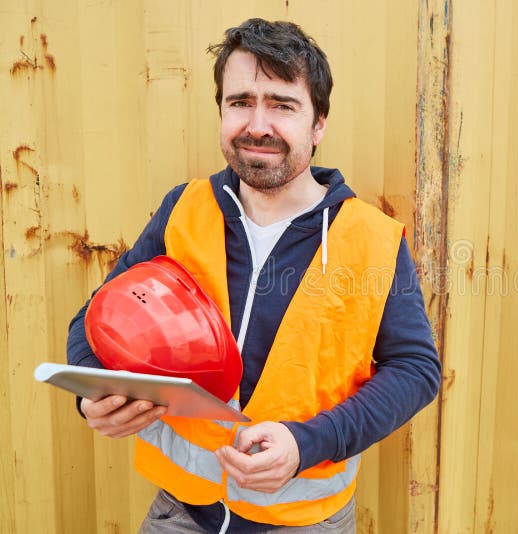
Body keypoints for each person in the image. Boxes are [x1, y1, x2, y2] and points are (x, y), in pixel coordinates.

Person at [67, 18, 441, 533]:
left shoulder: (372, 239)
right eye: (240, 102)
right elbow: (99, 315)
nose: (257, 125)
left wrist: (308, 443)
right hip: (180, 512)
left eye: (282, 105)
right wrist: (92, 392)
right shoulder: (185, 208)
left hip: (305, 521)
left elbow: (415, 370)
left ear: (318, 124)